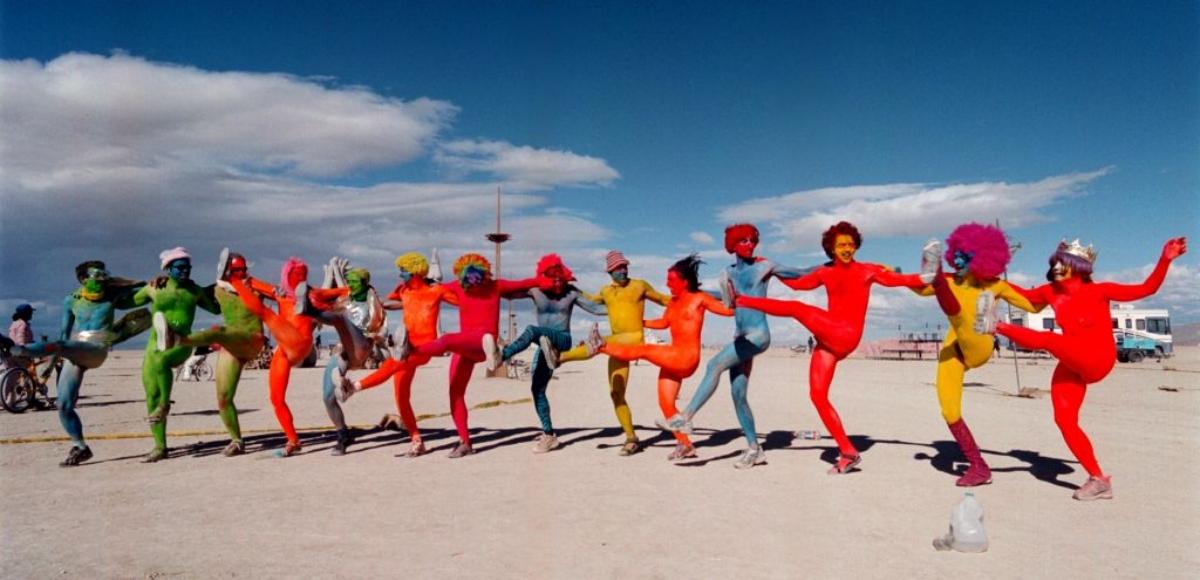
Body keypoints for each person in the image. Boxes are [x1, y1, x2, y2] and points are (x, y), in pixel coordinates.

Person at [992, 237, 1187, 500]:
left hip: (1098, 359)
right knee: (1064, 420)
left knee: (1049, 339)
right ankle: (1098, 479)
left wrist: (1165, 259)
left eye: (1063, 262)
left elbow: (1148, 288)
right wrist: (995, 282)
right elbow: (1023, 296)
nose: (1057, 266)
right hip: (1071, 361)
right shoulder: (1050, 292)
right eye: (1055, 262)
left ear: (1078, 266)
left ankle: (997, 327)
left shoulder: (1100, 291)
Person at [726, 222, 927, 473]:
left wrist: (926, 276)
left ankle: (742, 301)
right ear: (831, 248)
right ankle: (848, 452)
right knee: (817, 395)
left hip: (846, 334)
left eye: (851, 244)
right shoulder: (825, 272)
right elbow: (799, 285)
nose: (847, 249)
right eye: (841, 245)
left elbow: (899, 279)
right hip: (829, 341)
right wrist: (774, 272)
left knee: (797, 309)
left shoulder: (867, 271)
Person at [659, 223, 813, 469]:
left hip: (758, 336)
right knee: (738, 395)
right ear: (732, 245)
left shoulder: (765, 266)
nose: (750, 245)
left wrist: (834, 266)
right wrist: (693, 291)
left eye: (753, 240)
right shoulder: (728, 273)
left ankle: (685, 417)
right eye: (743, 241)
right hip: (740, 338)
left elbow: (801, 272)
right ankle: (755, 449)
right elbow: (723, 297)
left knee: (714, 364)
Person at [913, 223, 1037, 486]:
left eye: (964, 256)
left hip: (979, 344)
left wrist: (1069, 289)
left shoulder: (997, 285)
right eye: (954, 255)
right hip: (954, 350)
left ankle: (968, 302)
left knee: (958, 315)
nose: (957, 260)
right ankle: (979, 466)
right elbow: (912, 285)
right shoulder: (950, 279)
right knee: (949, 410)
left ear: (981, 258)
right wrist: (885, 273)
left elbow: (1033, 305)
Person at [395, 253, 549, 458]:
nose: (472, 281)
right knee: (455, 393)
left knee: (448, 340)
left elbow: (527, 283)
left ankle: (411, 350)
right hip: (467, 347)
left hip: (480, 342)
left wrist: (551, 279)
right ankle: (465, 442)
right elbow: (430, 289)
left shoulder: (492, 286)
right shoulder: (471, 286)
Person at [588, 255, 734, 461]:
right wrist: (642, 321)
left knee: (644, 350)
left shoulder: (700, 298)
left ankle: (601, 346)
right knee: (666, 404)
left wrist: (733, 297)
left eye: (671, 280)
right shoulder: (673, 302)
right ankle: (685, 444)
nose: (667, 284)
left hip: (686, 357)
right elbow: (664, 323)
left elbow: (728, 311)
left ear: (684, 281)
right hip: (673, 358)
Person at [10, 261, 149, 466]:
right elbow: (64, 336)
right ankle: (81, 447)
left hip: (96, 349)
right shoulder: (71, 301)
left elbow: (144, 292)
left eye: (104, 278)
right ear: (83, 279)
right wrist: (50, 367)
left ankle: (22, 350)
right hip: (76, 350)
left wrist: (146, 282)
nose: (102, 282)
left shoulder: (113, 296)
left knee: (60, 345)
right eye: (97, 278)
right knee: (63, 406)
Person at [555, 251, 670, 456]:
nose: (623, 270)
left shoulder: (639, 285)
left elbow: (663, 299)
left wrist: (692, 298)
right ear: (610, 271)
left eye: (625, 267)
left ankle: (559, 358)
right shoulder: (606, 292)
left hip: (633, 340)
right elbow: (589, 299)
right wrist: (569, 286)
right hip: (616, 346)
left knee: (600, 342)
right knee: (616, 393)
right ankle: (631, 438)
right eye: (618, 268)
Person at [342, 252, 457, 457]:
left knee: (393, 363)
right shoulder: (404, 291)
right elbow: (386, 303)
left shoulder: (436, 291)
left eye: (403, 271)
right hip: (406, 344)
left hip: (424, 348)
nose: (400, 275)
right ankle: (416, 440)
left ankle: (354, 387)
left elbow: (460, 301)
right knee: (401, 396)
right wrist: (368, 296)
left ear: (414, 272)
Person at [227, 256, 340, 457]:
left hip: (300, 343)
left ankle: (295, 440)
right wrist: (235, 275)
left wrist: (359, 288)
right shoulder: (279, 293)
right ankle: (293, 440)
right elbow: (252, 282)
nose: (300, 278)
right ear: (287, 276)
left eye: (303, 275)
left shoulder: (313, 294)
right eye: (296, 275)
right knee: (276, 398)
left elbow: (341, 293)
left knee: (266, 314)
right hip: (285, 349)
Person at [497, 254, 606, 453]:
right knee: (537, 389)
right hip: (544, 346)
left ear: (565, 276)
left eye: (560, 278)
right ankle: (549, 435)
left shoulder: (571, 293)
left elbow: (597, 309)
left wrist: (627, 305)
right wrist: (486, 288)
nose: (557, 282)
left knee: (532, 330)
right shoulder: (536, 291)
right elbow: (508, 293)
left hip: (562, 339)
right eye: (553, 278)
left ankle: (502, 356)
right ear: (544, 277)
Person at [176, 249, 275, 456]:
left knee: (216, 331)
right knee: (223, 398)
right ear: (227, 270)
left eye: (244, 269)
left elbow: (280, 295)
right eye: (237, 269)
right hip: (231, 344)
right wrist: (163, 280)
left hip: (252, 339)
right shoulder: (218, 290)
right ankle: (237, 440)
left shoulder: (254, 287)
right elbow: (191, 292)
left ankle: (178, 340)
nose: (242, 273)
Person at [131, 247, 221, 462]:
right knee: (150, 395)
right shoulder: (154, 289)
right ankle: (160, 447)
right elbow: (132, 301)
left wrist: (225, 287)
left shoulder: (194, 290)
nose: (185, 271)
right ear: (168, 269)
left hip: (182, 342)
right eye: (180, 268)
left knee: (163, 363)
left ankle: (165, 404)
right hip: (153, 345)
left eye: (188, 267)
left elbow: (215, 309)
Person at [316, 257, 389, 455]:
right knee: (327, 397)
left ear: (365, 284)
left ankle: (309, 310)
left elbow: (381, 331)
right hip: (344, 351)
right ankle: (343, 434)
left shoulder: (374, 305)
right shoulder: (344, 301)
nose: (350, 286)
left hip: (362, 348)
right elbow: (333, 306)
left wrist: (377, 343)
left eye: (354, 283)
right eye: (349, 283)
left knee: (341, 319)